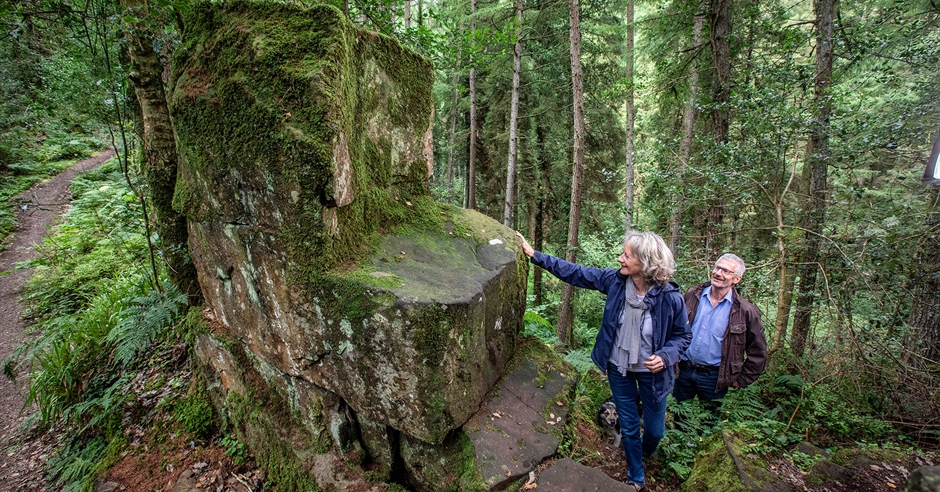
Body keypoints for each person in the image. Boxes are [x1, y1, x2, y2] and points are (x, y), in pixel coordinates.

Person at [516, 230, 690, 491]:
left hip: (653, 374)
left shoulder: (670, 297)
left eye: (627, 256)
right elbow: (576, 272)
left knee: (655, 431)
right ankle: (636, 477)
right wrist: (535, 256)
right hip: (619, 368)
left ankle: (641, 453)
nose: (620, 259)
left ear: (645, 263)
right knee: (630, 426)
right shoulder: (616, 281)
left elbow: (683, 336)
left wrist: (666, 356)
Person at [673, 253, 767, 413]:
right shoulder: (692, 295)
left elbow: (758, 351)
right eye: (717, 268)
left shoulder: (745, 311)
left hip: (714, 377)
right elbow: (674, 327)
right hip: (684, 370)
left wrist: (742, 379)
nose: (718, 273)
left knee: (709, 424)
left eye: (726, 271)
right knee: (680, 417)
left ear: (737, 279)